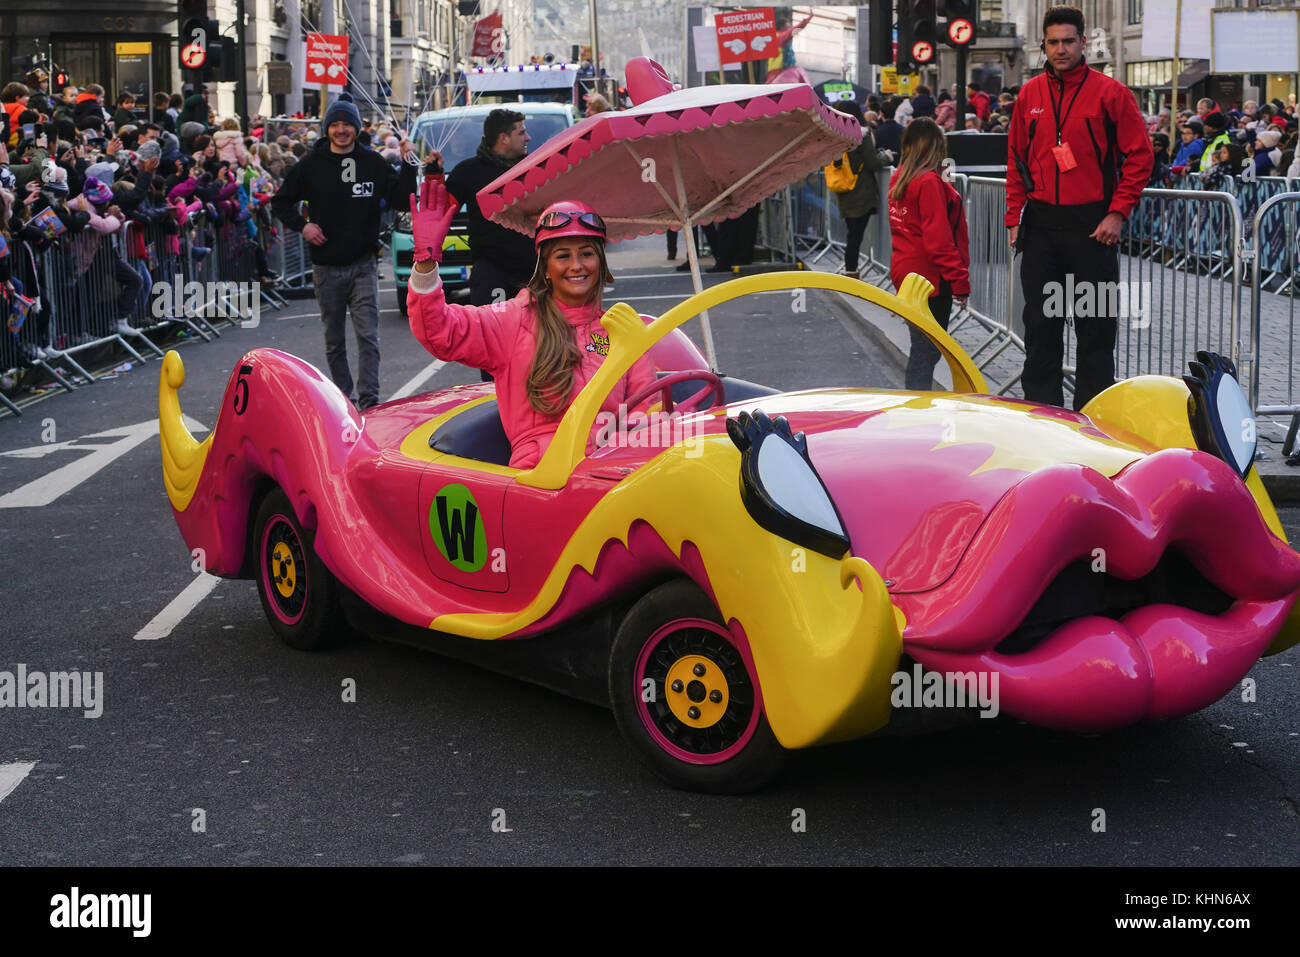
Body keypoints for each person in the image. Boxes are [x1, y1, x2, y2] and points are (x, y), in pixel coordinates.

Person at [405, 184, 657, 469]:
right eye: (563, 256)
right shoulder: (514, 320)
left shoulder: (620, 329)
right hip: (541, 483)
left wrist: (629, 443)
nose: (577, 265)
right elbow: (440, 331)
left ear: (600, 261)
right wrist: (425, 263)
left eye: (586, 253)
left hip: (612, 474)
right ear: (545, 267)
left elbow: (647, 404)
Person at [1005, 4, 1153, 411]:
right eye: (1052, 42)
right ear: (1044, 45)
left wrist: (1117, 212)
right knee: (1040, 330)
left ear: (1083, 42)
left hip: (1092, 231)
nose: (1060, 49)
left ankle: (1093, 424)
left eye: (1068, 41)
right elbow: (1016, 160)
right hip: (1040, 231)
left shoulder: (1111, 93)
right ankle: (1043, 420)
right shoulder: (1029, 95)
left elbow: (1140, 156)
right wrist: (1013, 219)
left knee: (1095, 333)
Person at [271, 92, 417, 410]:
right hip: (326, 267)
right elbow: (280, 201)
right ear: (327, 129)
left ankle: (369, 402)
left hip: (363, 264)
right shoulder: (310, 165)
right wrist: (303, 226)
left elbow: (403, 199)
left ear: (355, 129)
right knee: (334, 341)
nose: (341, 130)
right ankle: (344, 400)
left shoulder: (373, 162)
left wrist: (408, 163)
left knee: (368, 337)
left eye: (346, 124)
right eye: (335, 124)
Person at [887, 118, 970, 390]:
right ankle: (916, 411)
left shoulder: (899, 177)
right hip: (930, 279)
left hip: (907, 272)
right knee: (927, 353)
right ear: (936, 145)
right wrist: (959, 281)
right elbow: (939, 242)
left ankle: (915, 407)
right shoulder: (928, 183)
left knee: (923, 349)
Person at [446, 109, 537, 313]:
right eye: (521, 132)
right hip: (491, 271)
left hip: (533, 269)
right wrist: (434, 173)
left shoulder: (533, 168)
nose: (528, 137)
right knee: (495, 332)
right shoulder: (467, 172)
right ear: (503, 138)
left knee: (536, 337)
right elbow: (441, 212)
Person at [830, 101, 891, 280]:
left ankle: (850, 269)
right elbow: (872, 163)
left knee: (852, 234)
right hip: (861, 191)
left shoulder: (836, 134)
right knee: (855, 236)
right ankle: (851, 272)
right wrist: (885, 157)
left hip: (843, 190)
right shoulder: (861, 135)